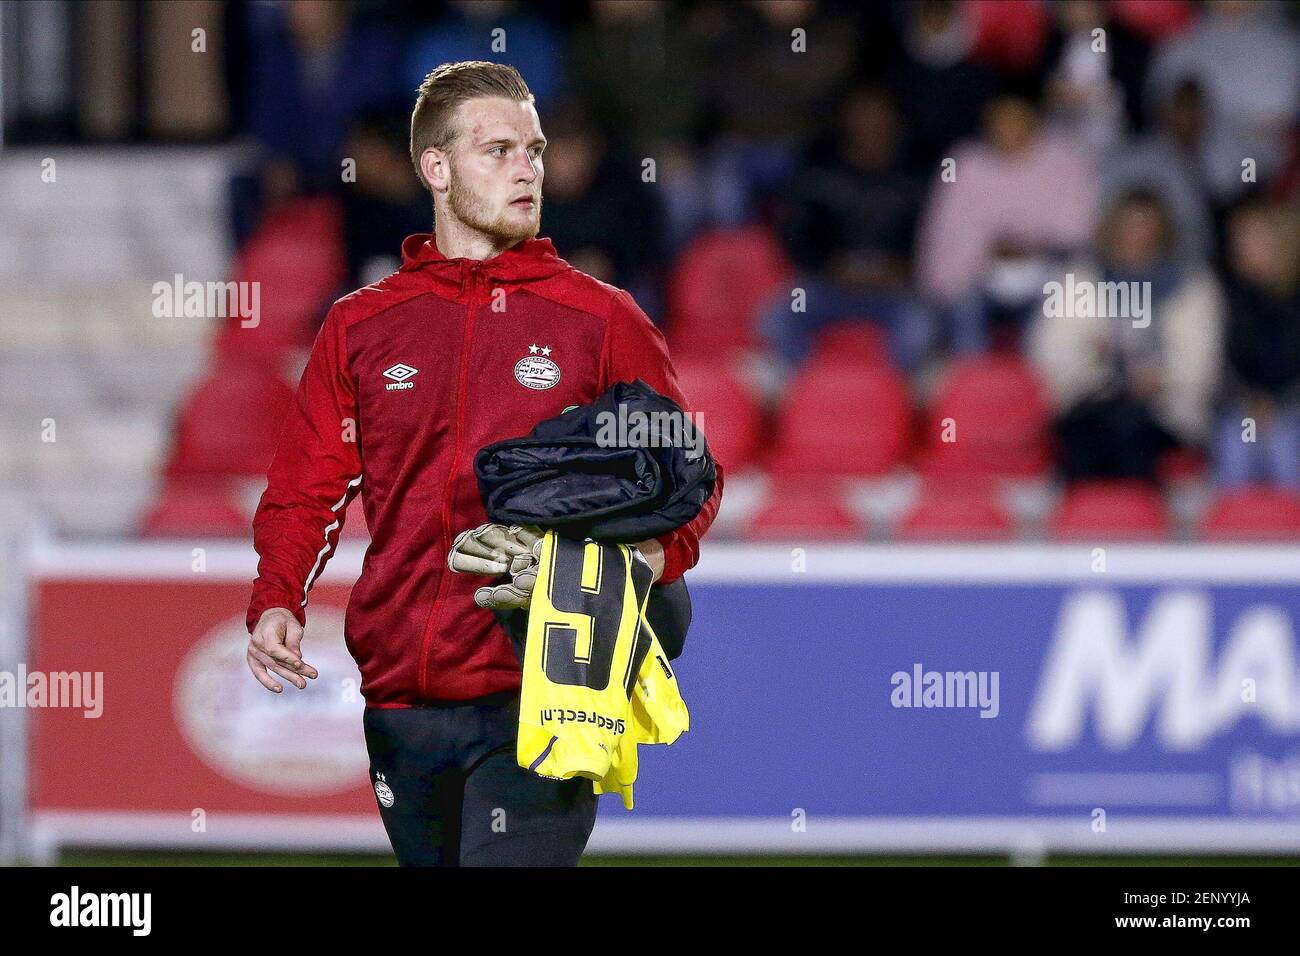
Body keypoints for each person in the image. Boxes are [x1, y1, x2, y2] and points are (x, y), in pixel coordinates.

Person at [244, 61, 724, 866]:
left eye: (532, 150)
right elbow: (307, 485)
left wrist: (649, 557)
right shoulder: (362, 325)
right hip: (400, 692)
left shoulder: (602, 317)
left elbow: (690, 476)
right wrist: (276, 596)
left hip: (541, 687)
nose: (527, 168)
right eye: (498, 150)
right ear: (436, 168)